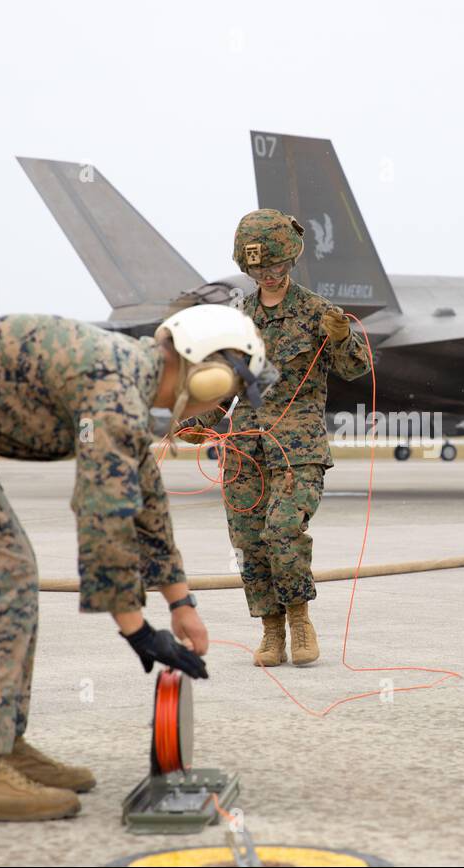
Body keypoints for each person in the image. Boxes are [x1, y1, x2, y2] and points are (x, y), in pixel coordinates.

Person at [0, 307, 269, 822]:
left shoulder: (124, 381)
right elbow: (102, 512)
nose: (220, 406)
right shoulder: (113, 389)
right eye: (228, 392)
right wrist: (136, 629)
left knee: (9, 567)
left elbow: (145, 501)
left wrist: (180, 603)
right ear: (207, 371)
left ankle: (0, 743)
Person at [183, 210, 371, 667]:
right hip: (245, 448)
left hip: (298, 445)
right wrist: (198, 420)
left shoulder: (316, 313)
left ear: (290, 259)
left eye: (275, 265)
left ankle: (300, 620)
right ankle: (270, 631)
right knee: (249, 541)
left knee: (283, 531)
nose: (267, 274)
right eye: (257, 268)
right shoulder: (238, 318)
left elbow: (356, 368)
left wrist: (343, 339)